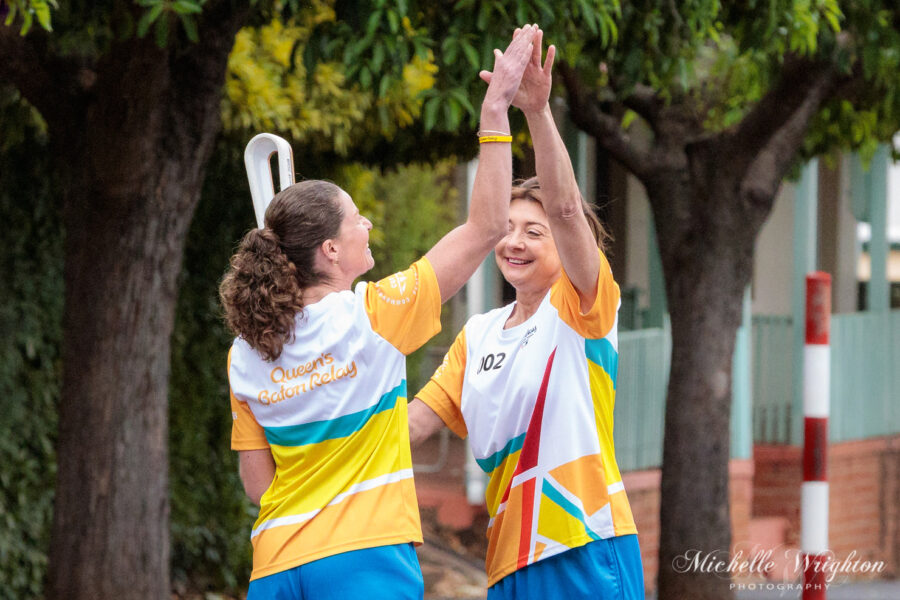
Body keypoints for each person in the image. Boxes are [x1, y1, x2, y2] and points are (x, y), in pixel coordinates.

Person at [218, 25, 539, 600]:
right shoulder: (375, 313)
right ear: (330, 251)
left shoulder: (245, 349)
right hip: (366, 560)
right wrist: (495, 113)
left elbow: (257, 484)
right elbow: (486, 226)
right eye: (356, 218)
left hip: (276, 562)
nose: (368, 224)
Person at [408, 31, 644, 600]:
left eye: (532, 233)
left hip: (582, 543)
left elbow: (566, 207)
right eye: (507, 229)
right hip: (508, 556)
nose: (513, 242)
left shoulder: (584, 306)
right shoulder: (479, 332)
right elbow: (415, 425)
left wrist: (534, 112)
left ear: (568, 247)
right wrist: (319, 422)